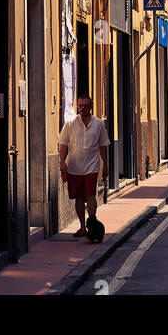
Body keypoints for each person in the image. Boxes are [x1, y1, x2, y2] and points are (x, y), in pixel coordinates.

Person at [59, 95, 109, 238]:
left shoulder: (99, 124)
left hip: (92, 166)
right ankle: (82, 227)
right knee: (79, 198)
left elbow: (103, 146)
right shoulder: (70, 124)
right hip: (74, 167)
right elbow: (63, 144)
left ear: (91, 106)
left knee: (91, 195)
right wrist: (62, 162)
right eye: (80, 106)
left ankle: (92, 221)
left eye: (86, 105)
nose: (83, 108)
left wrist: (105, 165)